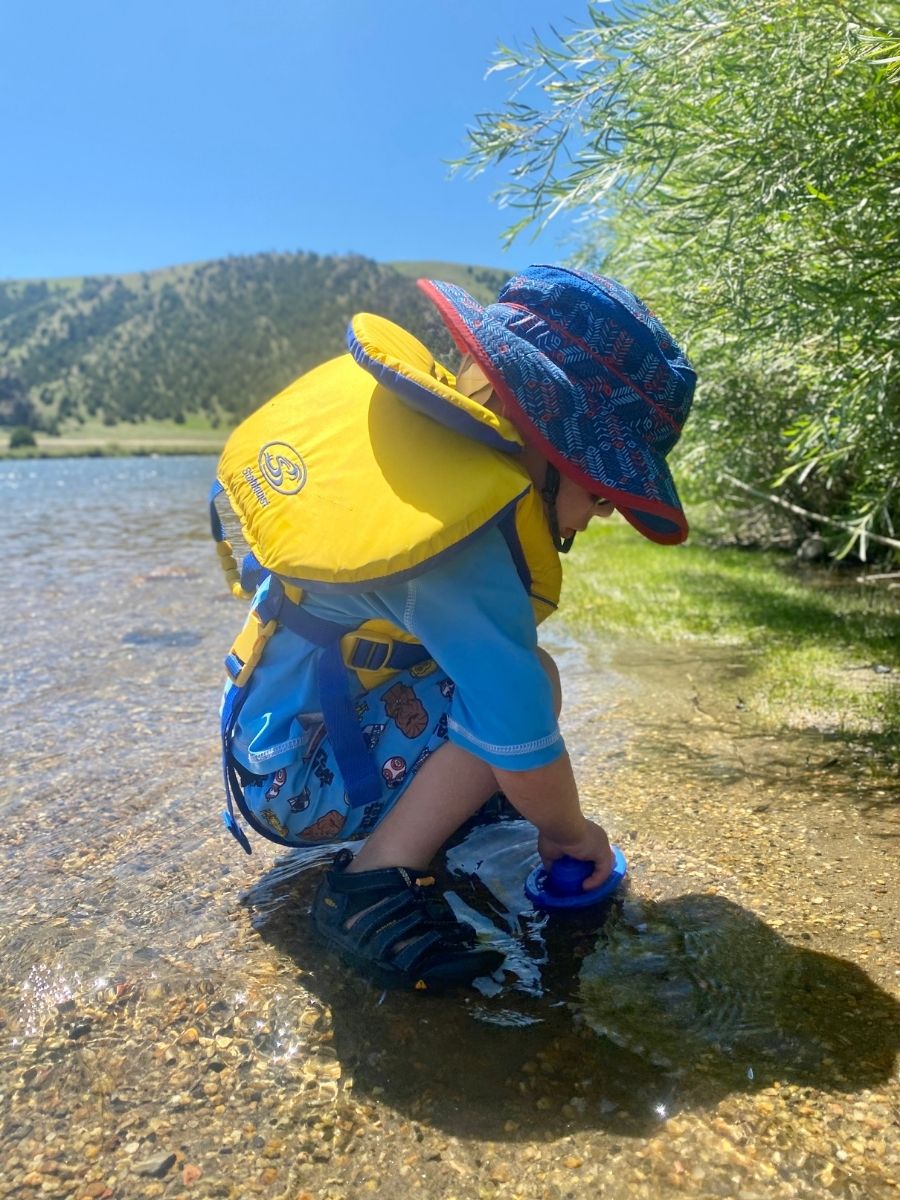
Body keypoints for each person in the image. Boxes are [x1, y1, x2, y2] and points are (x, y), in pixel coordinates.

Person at [211, 265, 695, 992]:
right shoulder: (461, 542)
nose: (601, 515)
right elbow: (520, 726)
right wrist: (567, 832)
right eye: (602, 494)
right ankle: (371, 886)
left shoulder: (419, 469)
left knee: (506, 685)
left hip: (270, 744)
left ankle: (441, 810)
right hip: (302, 782)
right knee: (530, 686)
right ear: (551, 446)